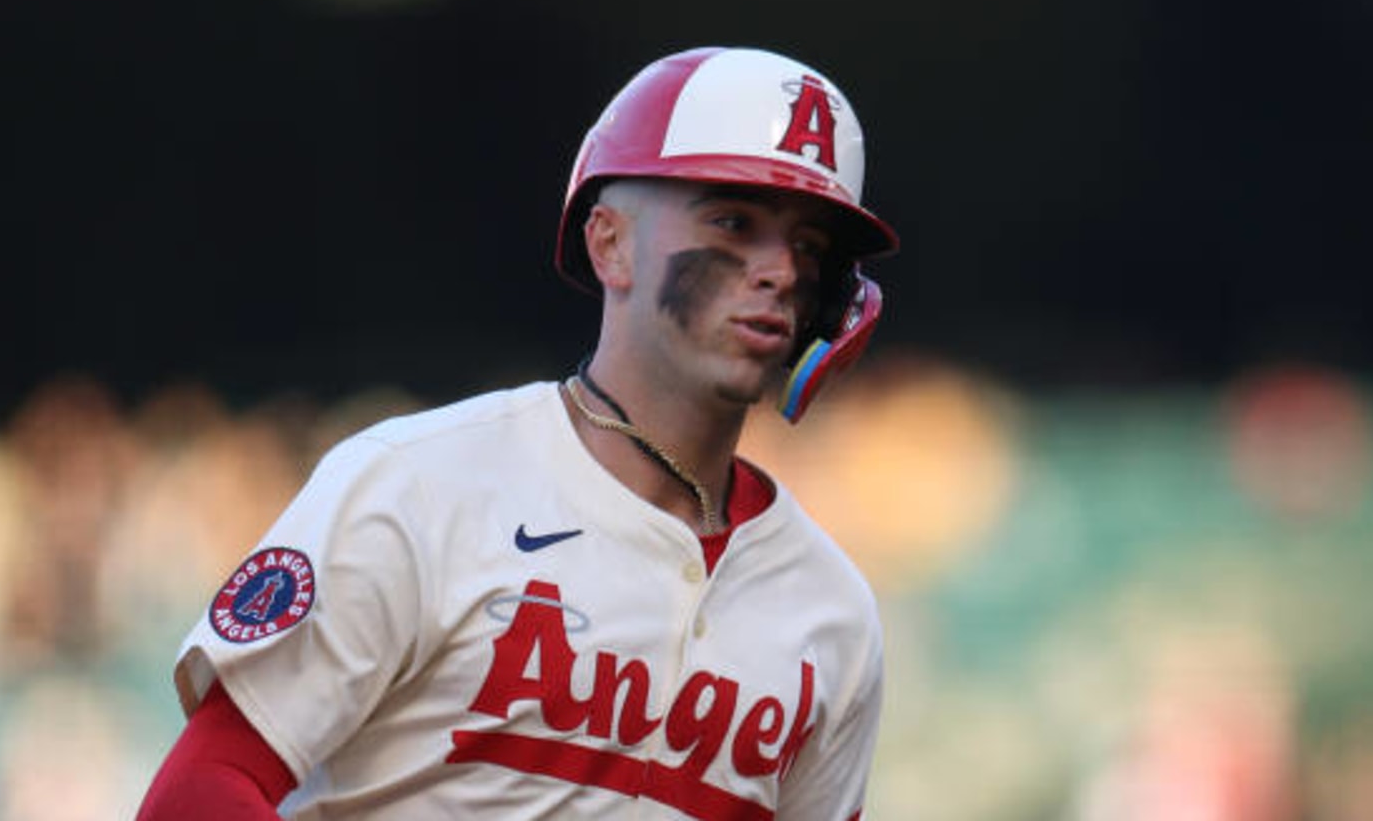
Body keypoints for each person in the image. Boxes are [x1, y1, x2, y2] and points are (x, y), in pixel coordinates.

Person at [137, 45, 901, 820]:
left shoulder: (830, 609)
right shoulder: (418, 485)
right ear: (611, 243)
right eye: (734, 222)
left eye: (808, 246)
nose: (778, 270)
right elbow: (198, 794)